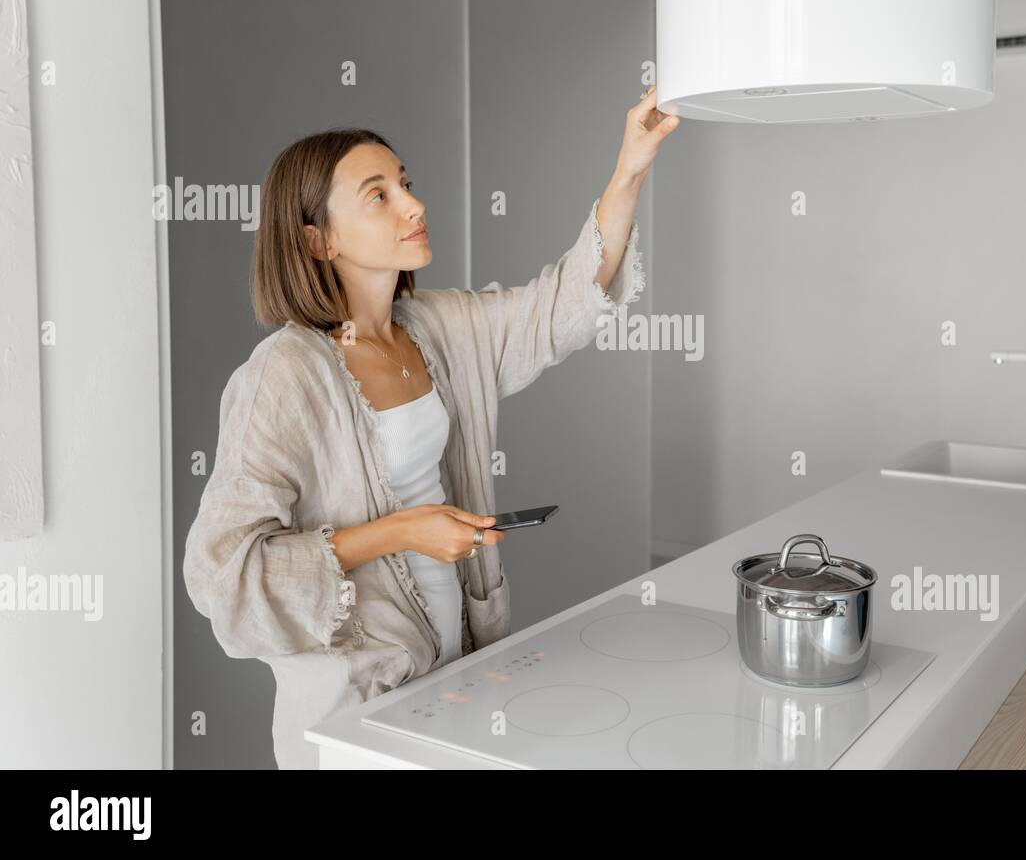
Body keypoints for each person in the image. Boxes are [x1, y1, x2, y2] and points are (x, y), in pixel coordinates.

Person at [183, 88, 678, 768]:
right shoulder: (286, 375)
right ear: (317, 239)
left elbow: (560, 306)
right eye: (378, 194)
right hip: (353, 714)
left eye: (405, 184)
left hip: (452, 680)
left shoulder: (437, 329)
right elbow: (221, 574)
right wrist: (405, 530)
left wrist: (629, 169)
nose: (414, 204)